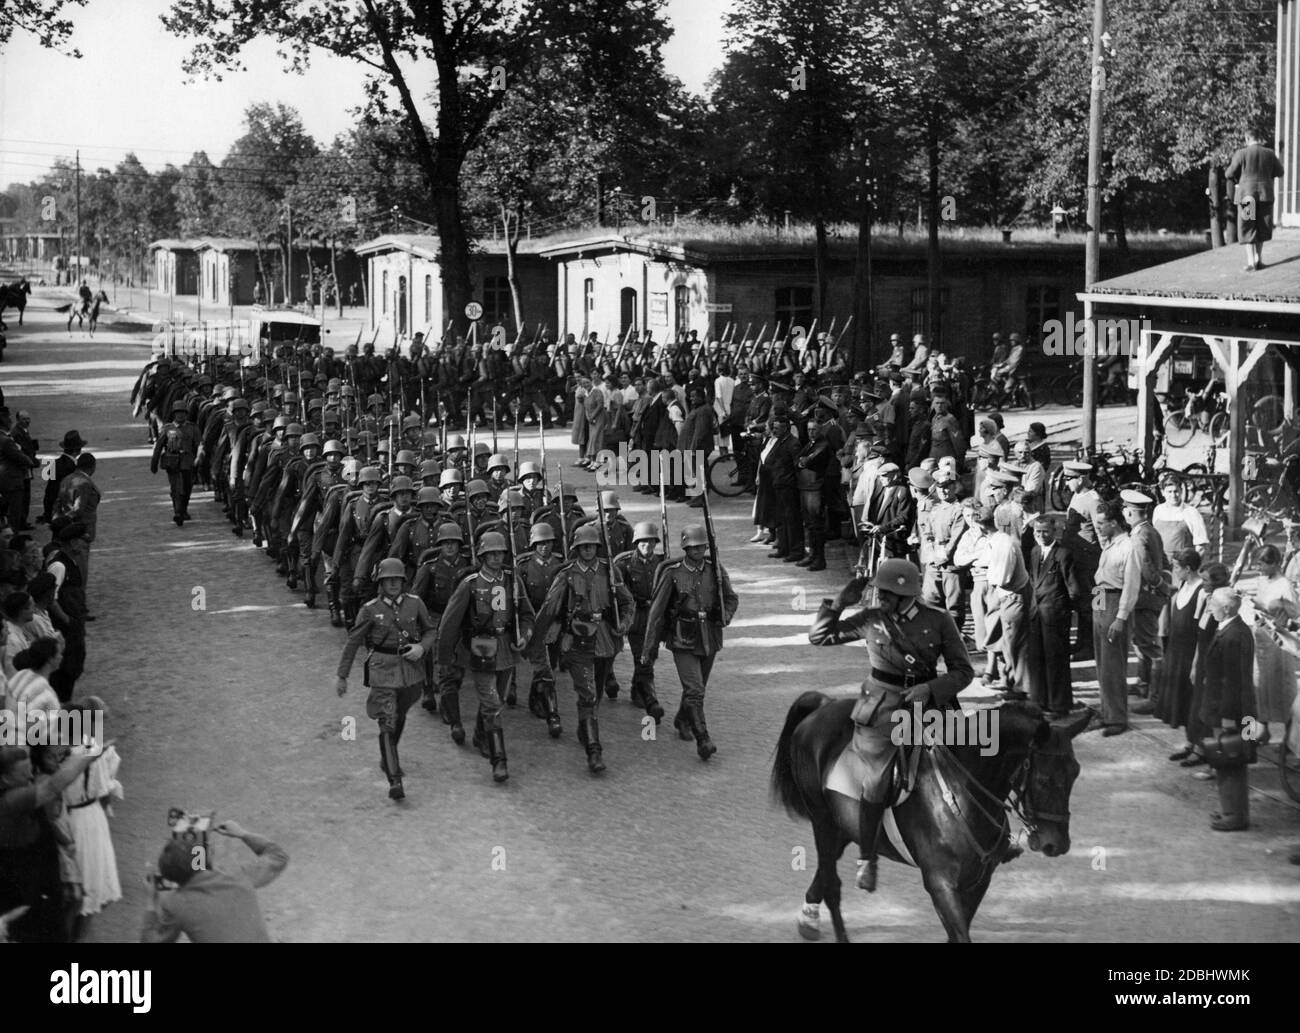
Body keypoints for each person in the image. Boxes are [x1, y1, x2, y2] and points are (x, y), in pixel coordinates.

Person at [808, 559, 973, 892]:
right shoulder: (871, 619)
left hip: (930, 703)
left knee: (979, 755)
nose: (880, 597)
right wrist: (839, 603)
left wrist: (930, 689)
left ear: (906, 594)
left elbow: (963, 672)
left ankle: (997, 836)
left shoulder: (938, 621)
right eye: (879, 591)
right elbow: (819, 637)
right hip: (882, 708)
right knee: (877, 780)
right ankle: (867, 858)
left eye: (888, 593)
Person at [528, 524, 633, 774]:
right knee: (587, 694)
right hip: (576, 642)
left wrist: (624, 624)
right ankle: (594, 750)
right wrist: (535, 641)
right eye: (583, 546)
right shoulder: (565, 575)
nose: (587, 550)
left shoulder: (611, 572)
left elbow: (628, 602)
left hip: (606, 640)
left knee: (594, 692)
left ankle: (585, 727)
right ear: (576, 549)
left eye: (591, 546)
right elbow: (549, 609)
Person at [337, 557, 438, 800]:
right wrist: (342, 675)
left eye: (397, 579)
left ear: (403, 581)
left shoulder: (415, 604)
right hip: (382, 670)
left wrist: (422, 648)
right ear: (380, 583)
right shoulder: (370, 609)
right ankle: (394, 780)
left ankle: (387, 755)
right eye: (387, 580)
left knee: (400, 714)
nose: (393, 584)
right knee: (387, 721)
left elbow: (431, 630)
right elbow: (353, 642)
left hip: (410, 669)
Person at [439, 532, 536, 783]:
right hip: (481, 645)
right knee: (492, 702)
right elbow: (449, 624)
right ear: (482, 555)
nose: (496, 557)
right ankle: (499, 760)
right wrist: (445, 658)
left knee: (499, 698)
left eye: (500, 553)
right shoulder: (470, 584)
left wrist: (524, 635)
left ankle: (481, 735)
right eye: (491, 553)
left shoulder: (513, 581)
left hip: (506, 646)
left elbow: (527, 614)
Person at [641, 525, 739, 760]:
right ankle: (703, 738)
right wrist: (648, 649)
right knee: (695, 689)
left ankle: (683, 719)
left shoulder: (715, 570)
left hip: (710, 637)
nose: (698, 550)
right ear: (685, 547)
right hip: (682, 637)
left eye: (701, 546)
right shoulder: (673, 573)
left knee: (697, 687)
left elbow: (731, 598)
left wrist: (724, 616)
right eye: (693, 547)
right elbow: (656, 613)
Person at [0, 743, 97, 942]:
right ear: (5, 778)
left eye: (30, 771)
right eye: (23, 774)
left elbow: (47, 824)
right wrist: (89, 754)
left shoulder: (19, 790)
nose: (29, 778)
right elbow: (53, 786)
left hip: (40, 885)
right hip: (26, 893)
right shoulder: (11, 800)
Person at [140, 819, 289, 943]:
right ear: (204, 858)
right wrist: (242, 834)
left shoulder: (175, 903)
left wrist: (151, 902)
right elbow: (278, 857)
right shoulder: (238, 876)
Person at [1199, 589, 1258, 831]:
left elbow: (1234, 681)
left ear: (1226, 608)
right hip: (1228, 707)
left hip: (1232, 711)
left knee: (1232, 760)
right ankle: (1229, 809)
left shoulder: (1234, 635)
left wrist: (1227, 717)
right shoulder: (1231, 628)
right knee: (1226, 760)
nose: (1210, 607)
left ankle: (1235, 815)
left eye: (1213, 604)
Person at [62, 697, 122, 921]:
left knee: (73, 877)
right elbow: (103, 790)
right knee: (93, 877)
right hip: (89, 817)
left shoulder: (57, 750)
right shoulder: (91, 749)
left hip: (65, 816)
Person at [1088, 499, 1141, 736]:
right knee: (1102, 664)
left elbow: (1131, 587)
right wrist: (1095, 611)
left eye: (1101, 523)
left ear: (1113, 523)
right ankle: (1106, 712)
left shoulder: (1128, 547)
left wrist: (1120, 618)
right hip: (1100, 599)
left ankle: (1117, 718)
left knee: (1113, 666)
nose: (1097, 527)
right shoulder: (1109, 543)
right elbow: (1100, 579)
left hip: (1114, 602)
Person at [1025, 513, 1083, 717]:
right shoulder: (1034, 552)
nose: (1041, 535)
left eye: (1045, 531)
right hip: (1037, 614)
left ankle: (1059, 705)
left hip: (1056, 616)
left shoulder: (1063, 554)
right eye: (1037, 531)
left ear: (1055, 532)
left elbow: (1073, 588)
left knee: (1056, 661)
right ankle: (1040, 701)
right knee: (1037, 659)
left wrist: (1065, 611)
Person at [1157, 550, 1211, 753]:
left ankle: (1201, 747)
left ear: (1188, 569)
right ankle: (1190, 741)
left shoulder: (1202, 591)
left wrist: (1197, 662)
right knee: (1182, 699)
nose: (1174, 571)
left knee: (1194, 700)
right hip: (1176, 650)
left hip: (1192, 652)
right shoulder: (1182, 586)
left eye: (1177, 567)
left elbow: (1202, 631)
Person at [1246, 543, 1298, 743]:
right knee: (1258, 687)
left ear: (1275, 563)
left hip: (1278, 643)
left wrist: (1276, 607)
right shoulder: (1262, 580)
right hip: (1260, 637)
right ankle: (1258, 731)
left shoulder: (1284, 584)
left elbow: (1296, 613)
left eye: (1262, 564)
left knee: (1282, 690)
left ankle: (1290, 738)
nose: (1259, 568)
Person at [1225, 131, 1285, 271]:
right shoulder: (1269, 153)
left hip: (1247, 196)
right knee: (1262, 226)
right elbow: (1280, 172)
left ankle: (1251, 262)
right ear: (1259, 138)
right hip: (1265, 195)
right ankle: (1259, 259)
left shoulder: (1241, 153)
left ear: (1247, 138)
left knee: (1248, 226)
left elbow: (1229, 173)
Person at [151, 399, 201, 526]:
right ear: (174, 414)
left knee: (187, 488)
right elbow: (159, 446)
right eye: (178, 413)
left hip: (188, 462)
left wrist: (199, 458)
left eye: (183, 413)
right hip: (172, 463)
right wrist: (154, 463)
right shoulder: (167, 429)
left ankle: (183, 510)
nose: (180, 415)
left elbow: (200, 444)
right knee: (176, 488)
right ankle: (178, 512)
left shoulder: (192, 428)